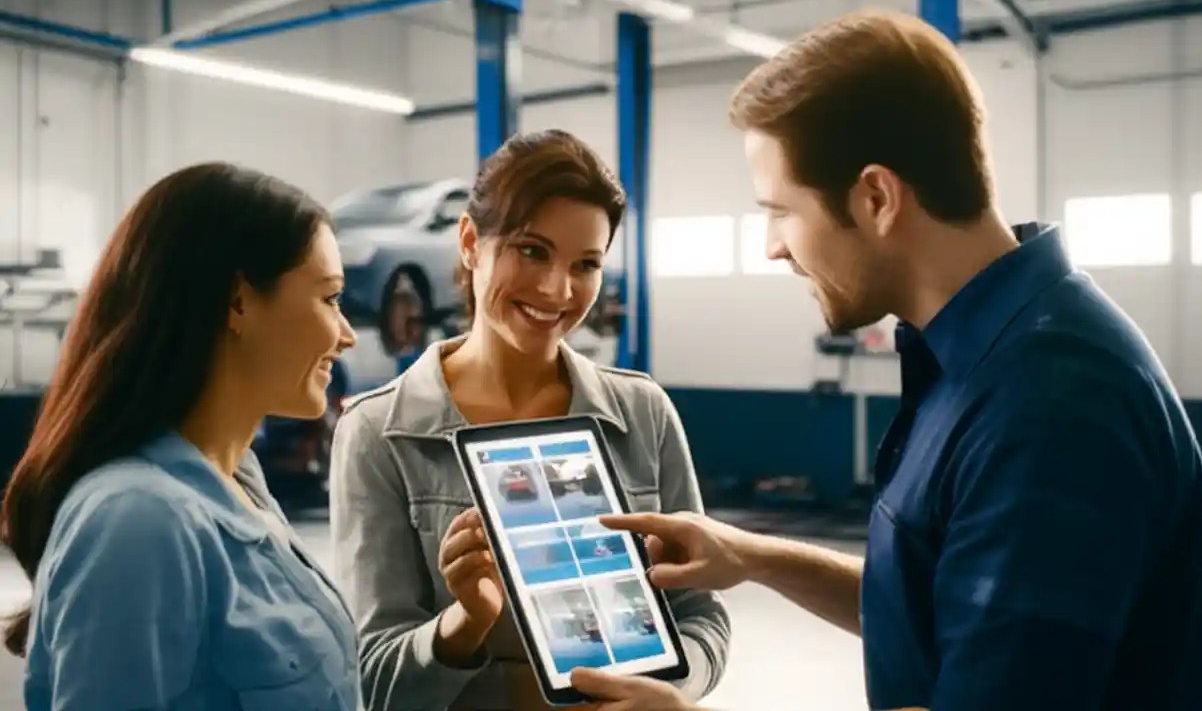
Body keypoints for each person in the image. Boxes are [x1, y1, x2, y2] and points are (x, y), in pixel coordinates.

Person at [568, 8, 1202, 711]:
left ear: (876, 197)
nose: (772, 246)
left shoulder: (1052, 403)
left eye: (781, 210)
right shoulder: (984, 355)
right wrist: (753, 556)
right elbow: (945, 609)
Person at [328, 129, 731, 711]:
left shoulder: (644, 414)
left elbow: (699, 615)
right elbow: (374, 679)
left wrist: (669, 691)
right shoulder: (379, 431)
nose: (556, 289)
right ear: (470, 241)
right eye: (532, 250)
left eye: (586, 264)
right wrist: (466, 620)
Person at [0, 162, 362, 709]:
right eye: (330, 299)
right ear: (238, 300)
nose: (348, 335)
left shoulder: (238, 481)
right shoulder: (138, 518)